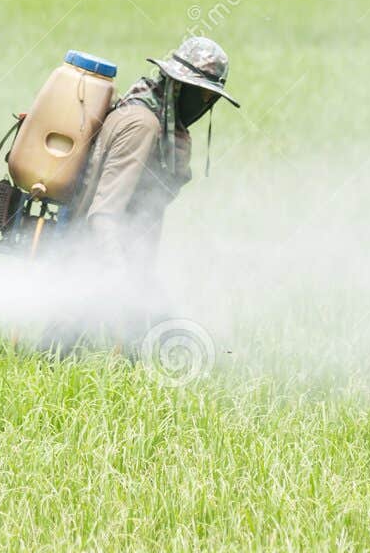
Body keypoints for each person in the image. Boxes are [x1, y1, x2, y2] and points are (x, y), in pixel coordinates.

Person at [55, 36, 239, 347]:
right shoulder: (144, 125)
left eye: (212, 98)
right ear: (179, 88)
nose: (206, 104)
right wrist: (120, 275)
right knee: (155, 336)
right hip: (94, 254)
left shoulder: (153, 118)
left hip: (102, 253)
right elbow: (104, 212)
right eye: (203, 95)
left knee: (78, 342)